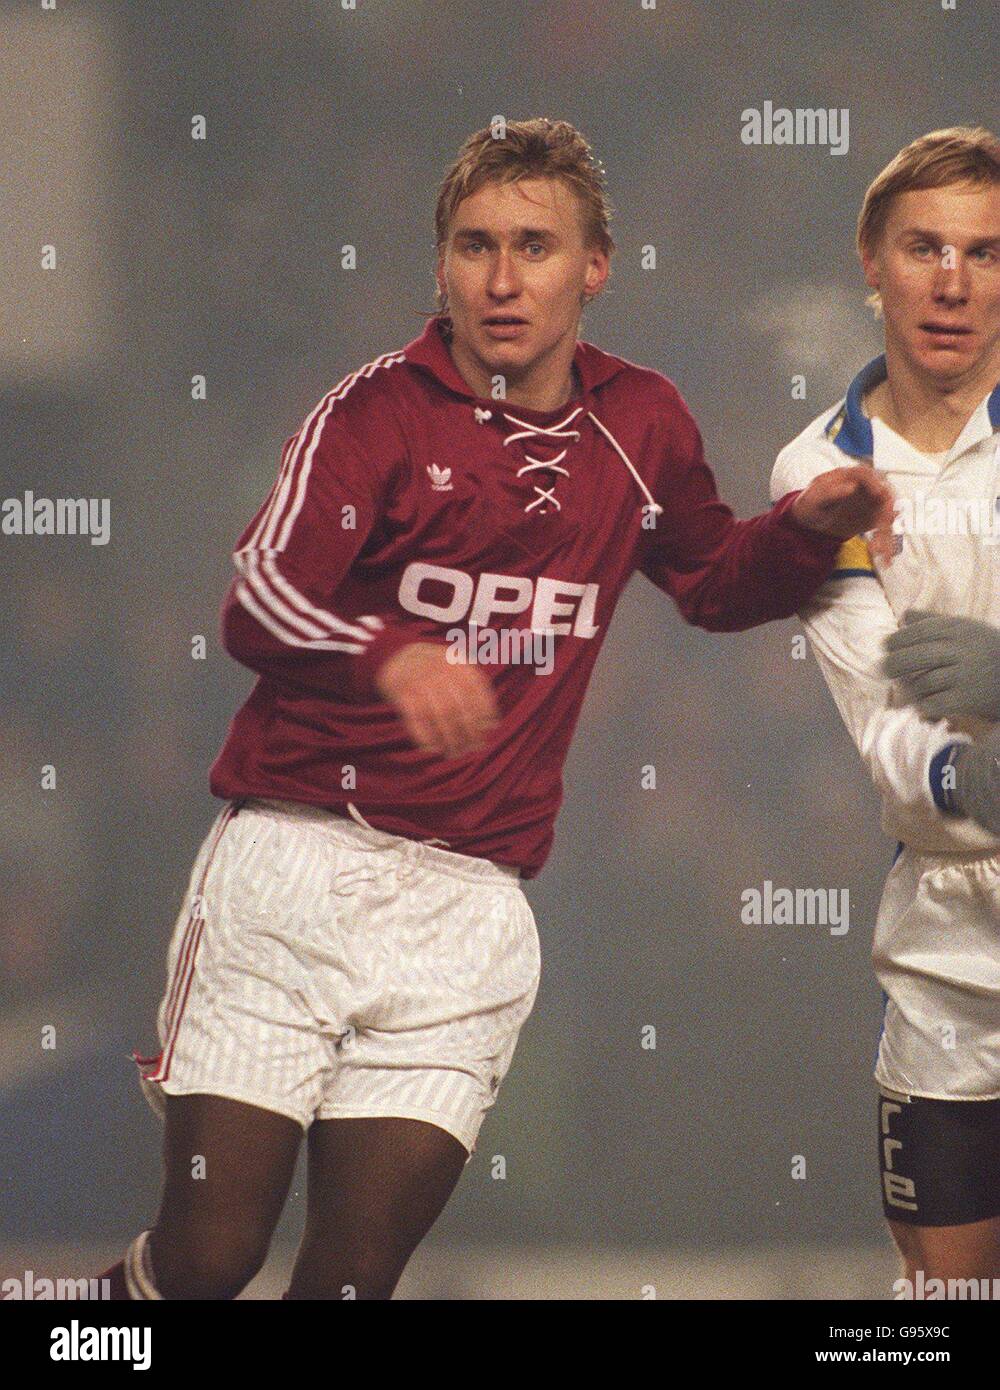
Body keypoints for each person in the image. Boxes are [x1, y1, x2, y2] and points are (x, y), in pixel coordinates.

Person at [103, 117, 889, 1300]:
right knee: (209, 1260)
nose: (503, 278)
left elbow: (713, 582)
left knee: (351, 1281)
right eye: (475, 246)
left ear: (594, 266)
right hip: (293, 874)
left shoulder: (641, 423)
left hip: (467, 912)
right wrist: (387, 656)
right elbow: (256, 600)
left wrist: (806, 532)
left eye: (534, 245)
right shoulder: (371, 413)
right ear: (441, 265)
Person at [769, 127, 1000, 1289]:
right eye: (923, 248)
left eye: (983, 252)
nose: (952, 282)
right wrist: (972, 777)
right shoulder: (818, 474)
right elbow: (882, 712)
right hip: (947, 932)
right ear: (871, 260)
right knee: (943, 1299)